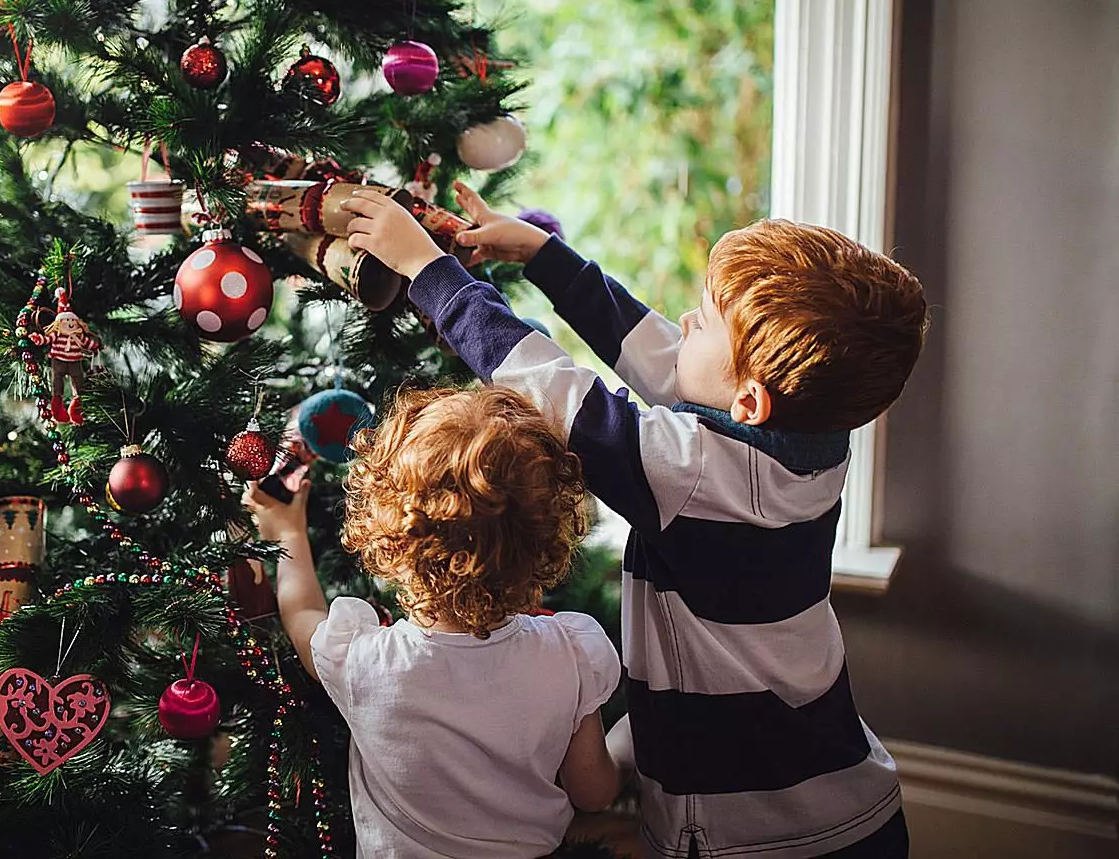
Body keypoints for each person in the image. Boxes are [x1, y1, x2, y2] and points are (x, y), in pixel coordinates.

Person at [339, 183, 929, 859]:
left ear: (750, 399)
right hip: (846, 800)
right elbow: (658, 355)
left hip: (761, 832)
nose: (682, 320)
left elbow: (555, 391)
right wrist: (544, 256)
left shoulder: (695, 476)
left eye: (702, 322)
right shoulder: (808, 443)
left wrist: (428, 272)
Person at [245, 384, 622, 859]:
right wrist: (628, 746)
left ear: (392, 541)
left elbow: (302, 612)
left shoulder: (366, 661)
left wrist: (287, 531)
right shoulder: (571, 653)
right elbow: (593, 791)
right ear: (543, 539)